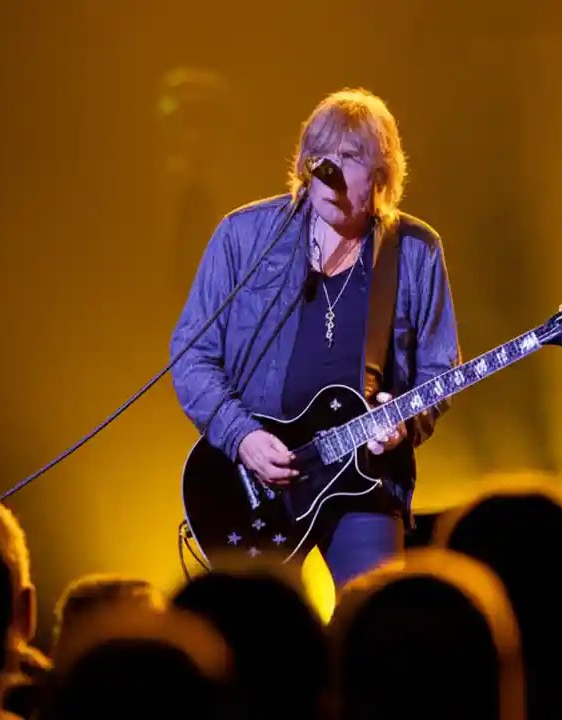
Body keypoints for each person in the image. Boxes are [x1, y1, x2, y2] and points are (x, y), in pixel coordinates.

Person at [170, 87, 460, 590]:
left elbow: (440, 367)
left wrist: (405, 423)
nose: (329, 169)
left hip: (365, 479)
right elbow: (193, 354)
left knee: (373, 613)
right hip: (257, 483)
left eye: (349, 157)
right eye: (319, 154)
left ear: (381, 175)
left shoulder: (415, 250)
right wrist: (242, 436)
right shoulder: (244, 236)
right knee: (262, 628)